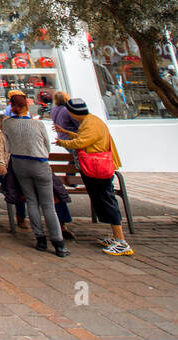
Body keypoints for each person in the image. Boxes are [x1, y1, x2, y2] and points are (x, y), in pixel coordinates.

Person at [55, 99, 132, 256]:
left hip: (98, 168)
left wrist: (62, 141)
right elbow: (84, 137)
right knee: (101, 198)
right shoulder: (90, 122)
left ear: (72, 112)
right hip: (93, 168)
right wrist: (68, 132)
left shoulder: (91, 124)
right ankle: (115, 236)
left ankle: (121, 241)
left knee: (106, 199)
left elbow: (81, 141)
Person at [2, 92, 68, 257]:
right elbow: (47, 147)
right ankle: (58, 243)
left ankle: (40, 239)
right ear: (27, 106)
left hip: (19, 164)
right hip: (39, 163)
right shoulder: (38, 125)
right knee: (48, 205)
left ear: (11, 106)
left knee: (31, 200)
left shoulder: (7, 124)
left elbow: (8, 146)